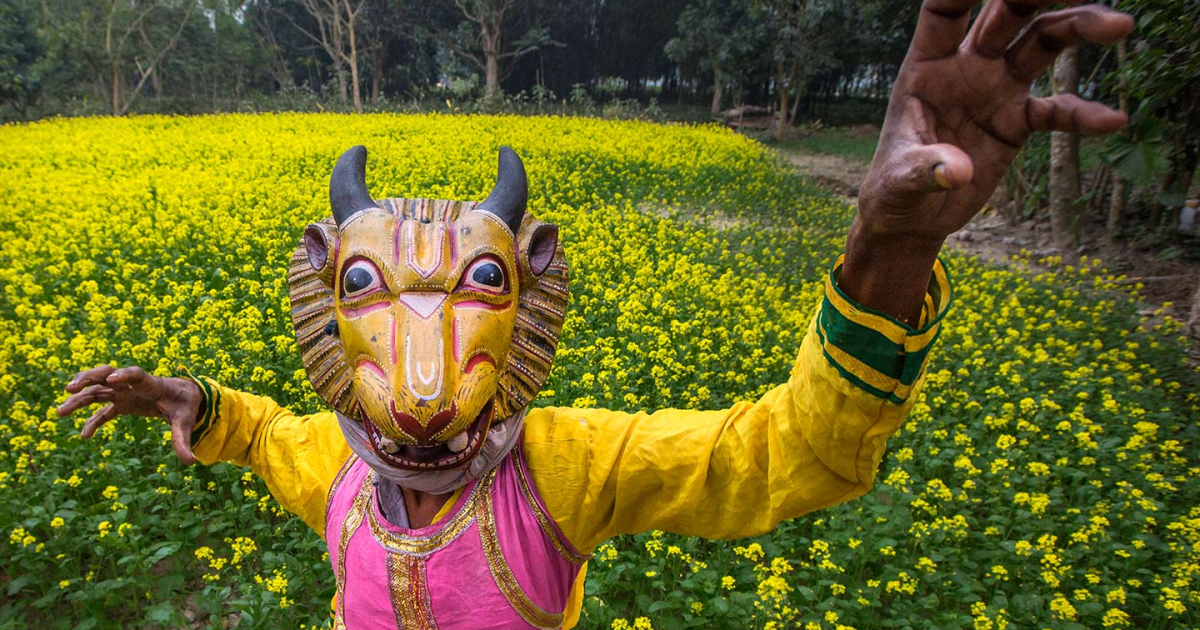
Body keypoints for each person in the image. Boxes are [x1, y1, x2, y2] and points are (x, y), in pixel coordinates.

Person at [57, 1, 1133, 628]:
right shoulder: (339, 468)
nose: (422, 361)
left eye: (480, 286)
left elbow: (788, 454)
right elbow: (266, 436)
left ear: (533, 285)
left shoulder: (565, 470)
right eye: (368, 289)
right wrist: (189, 399)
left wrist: (888, 250)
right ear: (320, 289)